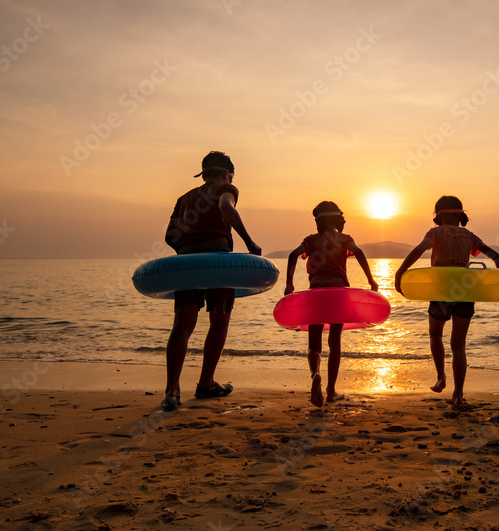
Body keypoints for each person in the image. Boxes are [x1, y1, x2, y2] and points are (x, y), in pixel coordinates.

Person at [160, 151, 261, 411]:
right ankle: (205, 383)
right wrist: (249, 242)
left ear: (203, 174)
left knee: (182, 324)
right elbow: (226, 208)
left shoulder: (184, 199)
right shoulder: (227, 189)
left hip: (187, 263)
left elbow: (170, 235)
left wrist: (186, 253)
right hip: (218, 262)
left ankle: (172, 391)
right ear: (227, 174)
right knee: (219, 318)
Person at [394, 196, 499, 407]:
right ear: (460, 215)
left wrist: (400, 272)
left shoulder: (435, 233)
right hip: (465, 291)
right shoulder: (469, 235)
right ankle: (459, 394)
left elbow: (418, 250)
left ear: (439, 215)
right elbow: (496, 257)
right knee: (458, 345)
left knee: (435, 333)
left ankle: (441, 377)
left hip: (442, 291)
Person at [284, 202, 378, 407]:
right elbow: (359, 252)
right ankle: (331, 390)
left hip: (316, 294)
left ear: (318, 221)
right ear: (337, 220)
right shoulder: (345, 239)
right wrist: (371, 280)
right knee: (335, 343)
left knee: (314, 344)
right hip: (338, 293)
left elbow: (292, 255)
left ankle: (315, 375)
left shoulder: (312, 240)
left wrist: (289, 284)